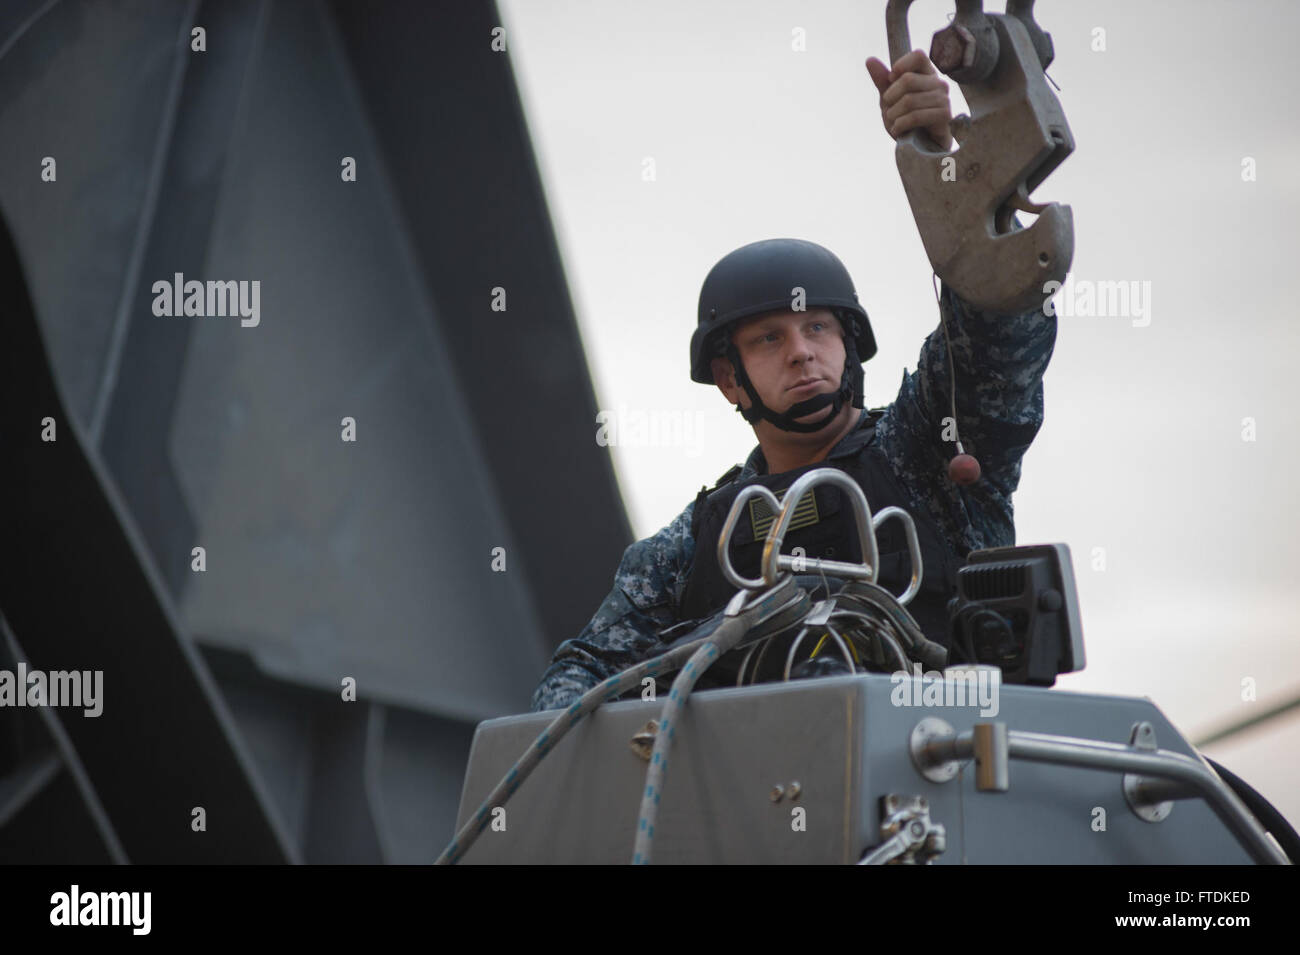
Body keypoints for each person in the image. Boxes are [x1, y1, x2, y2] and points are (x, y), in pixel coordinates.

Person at [531, 51, 1058, 712]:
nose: (801, 354)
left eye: (818, 330)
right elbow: (580, 676)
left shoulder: (927, 449)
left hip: (953, 778)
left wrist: (954, 170)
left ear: (848, 345)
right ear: (730, 377)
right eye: (769, 339)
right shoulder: (693, 545)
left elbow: (997, 334)